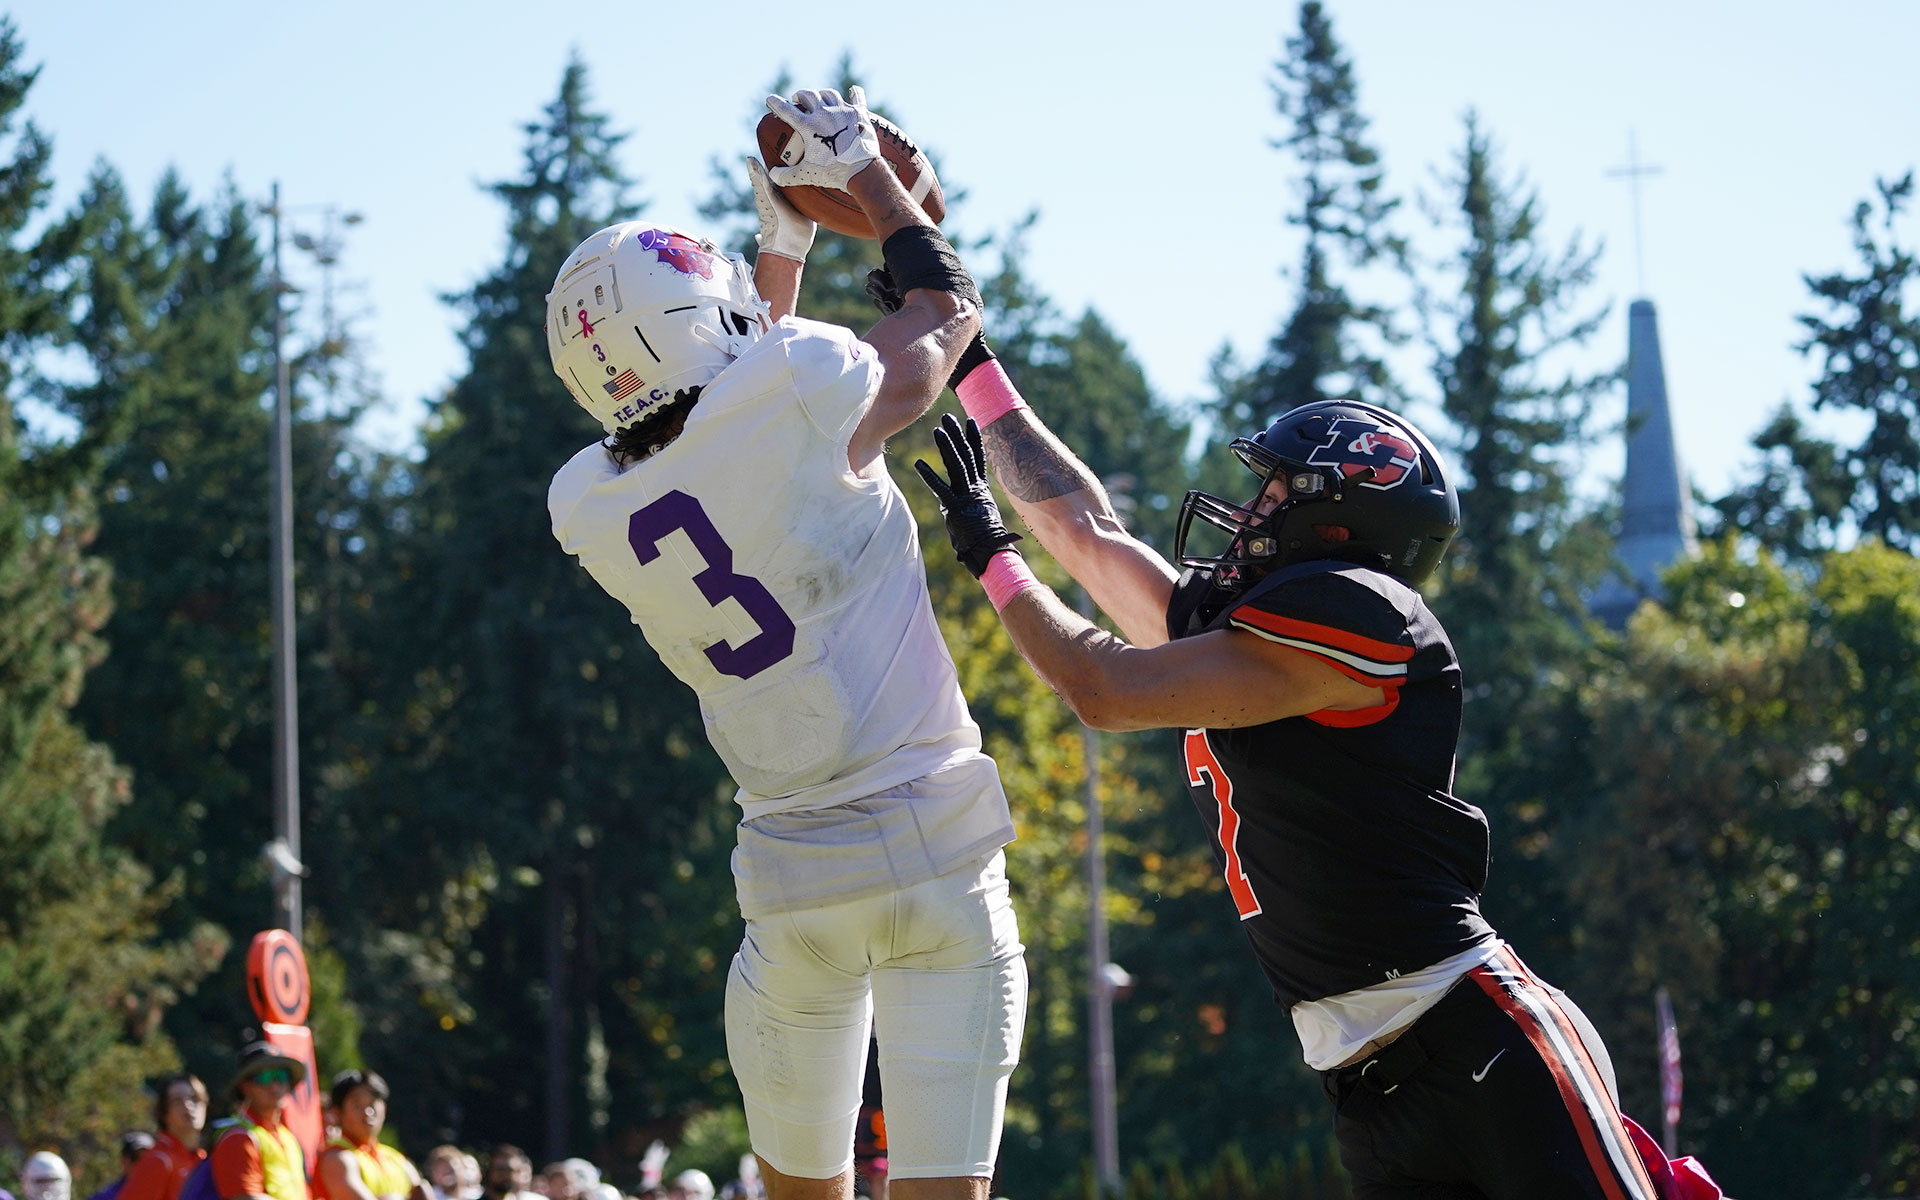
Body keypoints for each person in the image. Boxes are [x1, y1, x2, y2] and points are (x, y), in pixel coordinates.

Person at [909, 349, 1671, 1198]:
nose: (1247, 514)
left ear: (1336, 526)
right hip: (1367, 1085)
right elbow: (1087, 532)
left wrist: (992, 554)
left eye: (1275, 495)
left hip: (1475, 1039)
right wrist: (969, 360)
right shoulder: (1256, 644)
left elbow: (1102, 688)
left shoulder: (1365, 612)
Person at [542, 85, 1024, 1200]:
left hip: (791, 887)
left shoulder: (586, 504)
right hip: (934, 850)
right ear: (699, 317)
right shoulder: (799, 385)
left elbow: (734, 413)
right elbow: (944, 313)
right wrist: (866, 174)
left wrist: (781, 252)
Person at [211, 1042, 312, 1200]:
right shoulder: (238, 1138)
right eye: (264, 1078)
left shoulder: (287, 1136)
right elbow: (244, 1197)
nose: (274, 1086)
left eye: (281, 1076)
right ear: (245, 1087)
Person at [314, 1071, 425, 1200]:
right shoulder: (337, 1159)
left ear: (384, 1109)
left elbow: (422, 1191)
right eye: (357, 1105)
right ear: (337, 1112)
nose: (368, 1112)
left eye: (372, 1104)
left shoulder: (397, 1159)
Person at [123, 1074, 209, 1200]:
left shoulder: (203, 1159)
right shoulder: (159, 1161)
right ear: (164, 1113)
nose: (188, 1106)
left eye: (194, 1098)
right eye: (177, 1101)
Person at [85, 1133, 155, 1200]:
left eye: (148, 1159)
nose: (142, 1164)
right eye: (136, 1158)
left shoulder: (159, 1192)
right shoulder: (106, 1197)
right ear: (124, 1160)